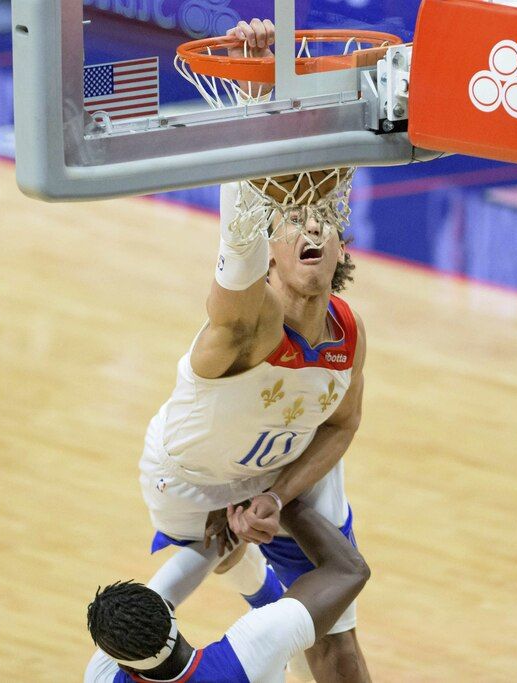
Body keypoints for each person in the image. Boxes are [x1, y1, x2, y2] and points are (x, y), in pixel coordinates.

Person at [133, 19, 370, 681]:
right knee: (245, 588)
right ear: (270, 250)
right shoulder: (247, 324)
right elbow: (233, 266)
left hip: (285, 468)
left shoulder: (349, 332)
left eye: (323, 215)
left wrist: (281, 495)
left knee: (338, 639)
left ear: (343, 241)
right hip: (191, 482)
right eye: (293, 217)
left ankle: (286, 613)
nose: (312, 223)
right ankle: (261, 599)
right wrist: (254, 96)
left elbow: (344, 422)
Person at [85, 499, 370, 682]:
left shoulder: (101, 676)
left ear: (124, 667)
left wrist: (231, 534)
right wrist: (278, 498)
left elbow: (161, 594)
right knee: (325, 656)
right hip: (268, 651)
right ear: (169, 611)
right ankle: (267, 599)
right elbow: (350, 570)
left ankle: (266, 597)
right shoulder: (251, 647)